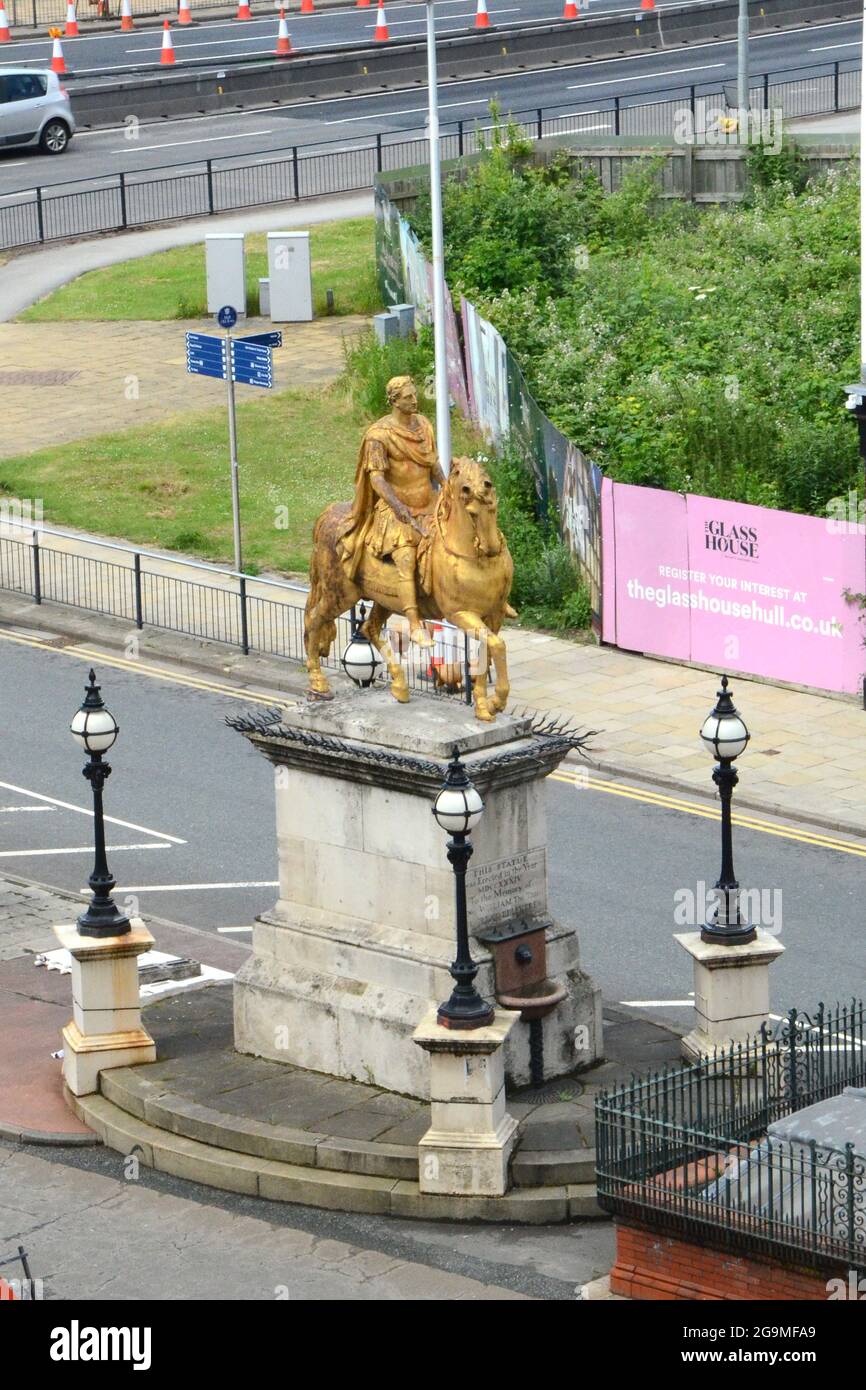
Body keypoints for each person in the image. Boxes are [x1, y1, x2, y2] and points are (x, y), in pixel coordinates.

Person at [338, 375, 446, 648]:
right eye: (408, 397)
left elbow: (433, 465)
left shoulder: (424, 426)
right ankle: (414, 624)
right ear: (395, 401)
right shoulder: (379, 436)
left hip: (429, 503)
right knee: (407, 556)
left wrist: (448, 488)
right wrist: (400, 509)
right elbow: (377, 479)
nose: (415, 399)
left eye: (414, 394)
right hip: (395, 510)